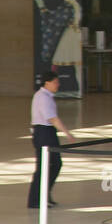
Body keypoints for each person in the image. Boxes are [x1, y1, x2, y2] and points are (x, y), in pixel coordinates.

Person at [28, 72, 75, 208]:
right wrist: (67, 134)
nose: (58, 85)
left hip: (47, 132)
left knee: (55, 164)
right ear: (47, 83)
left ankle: (44, 194)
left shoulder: (46, 96)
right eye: (55, 82)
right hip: (44, 133)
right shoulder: (43, 97)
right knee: (44, 167)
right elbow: (52, 118)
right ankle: (36, 200)